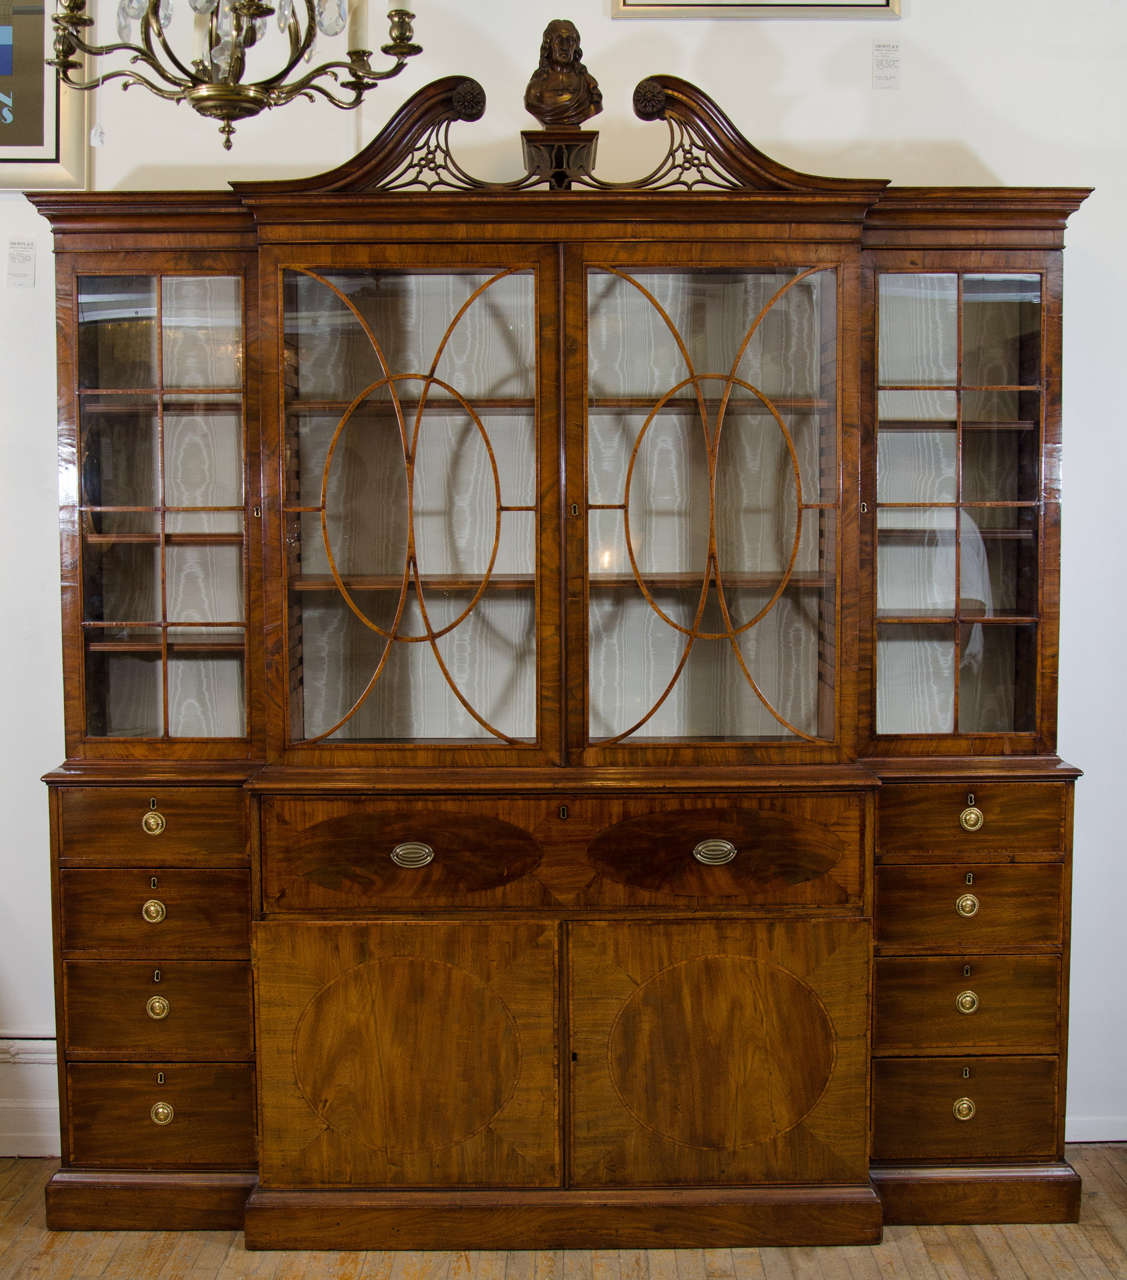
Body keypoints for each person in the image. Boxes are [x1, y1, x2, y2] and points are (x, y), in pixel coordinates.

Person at [524, 19, 603, 128]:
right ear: (549, 45)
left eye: (569, 41)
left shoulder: (588, 85)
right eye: (559, 40)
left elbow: (596, 106)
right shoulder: (536, 86)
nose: (564, 47)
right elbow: (530, 104)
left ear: (575, 46)